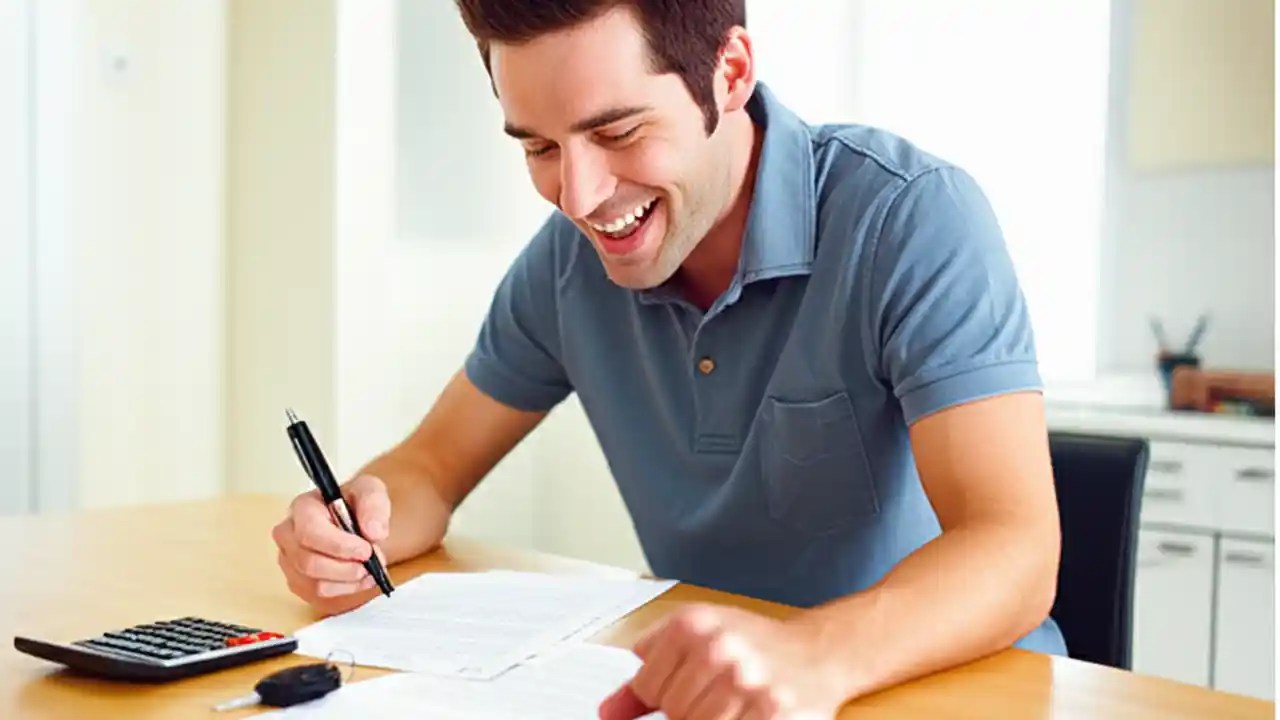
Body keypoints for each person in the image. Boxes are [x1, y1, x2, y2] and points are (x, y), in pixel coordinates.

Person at [271, 1, 1068, 717]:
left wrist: (809, 655)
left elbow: (1015, 548)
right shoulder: (566, 265)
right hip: (708, 702)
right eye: (540, 146)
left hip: (953, 695)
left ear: (731, 72)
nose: (579, 197)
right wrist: (355, 534)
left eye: (618, 133)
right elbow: (431, 465)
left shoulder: (909, 218)